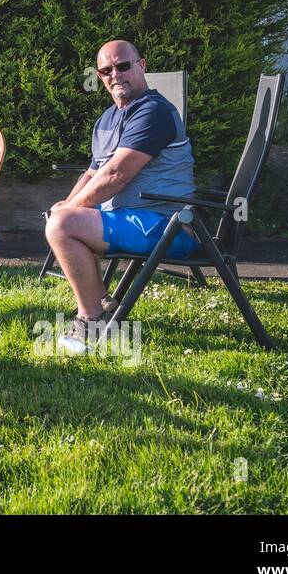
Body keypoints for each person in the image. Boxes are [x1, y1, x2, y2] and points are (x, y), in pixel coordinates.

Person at [44, 40, 197, 352]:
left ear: (141, 65)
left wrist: (66, 215)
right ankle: (102, 306)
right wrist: (66, 203)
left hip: (167, 226)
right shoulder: (108, 118)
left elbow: (116, 175)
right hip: (130, 218)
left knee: (62, 227)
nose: (115, 74)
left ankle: (92, 321)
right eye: (106, 70)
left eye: (123, 66)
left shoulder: (153, 112)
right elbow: (92, 173)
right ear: (100, 77)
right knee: (62, 219)